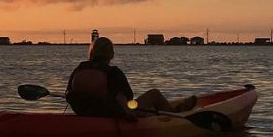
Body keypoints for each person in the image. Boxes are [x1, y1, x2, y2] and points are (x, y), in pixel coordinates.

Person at [65, 37, 196, 119]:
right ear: (111, 54)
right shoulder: (113, 73)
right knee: (154, 94)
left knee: (146, 109)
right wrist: (129, 114)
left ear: (91, 53)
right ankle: (175, 115)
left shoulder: (79, 69)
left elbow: (68, 94)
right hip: (112, 115)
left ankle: (154, 112)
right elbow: (127, 99)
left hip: (84, 114)